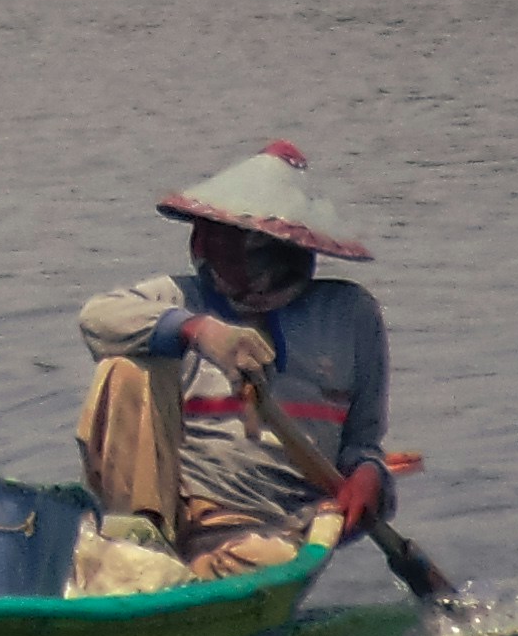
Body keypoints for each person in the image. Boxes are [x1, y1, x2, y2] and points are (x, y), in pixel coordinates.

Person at [78, 143, 394, 579]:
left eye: (257, 247)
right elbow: (97, 318)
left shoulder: (349, 316)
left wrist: (369, 477)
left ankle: (180, 583)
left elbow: (363, 444)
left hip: (268, 528)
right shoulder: (176, 298)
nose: (233, 258)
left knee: (273, 561)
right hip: (174, 506)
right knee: (124, 366)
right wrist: (196, 331)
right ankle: (139, 543)